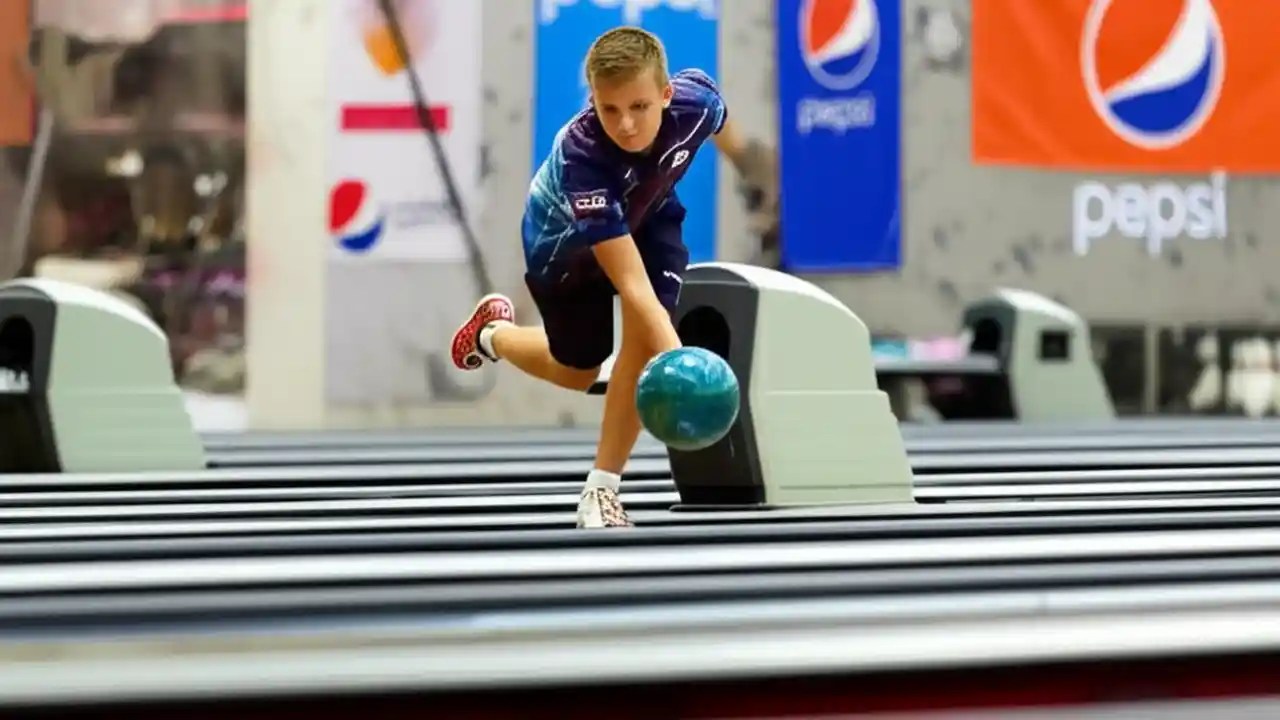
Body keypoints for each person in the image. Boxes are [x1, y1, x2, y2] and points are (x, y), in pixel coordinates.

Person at [450, 26, 760, 528]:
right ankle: (493, 335)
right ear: (592, 100)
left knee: (642, 337)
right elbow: (631, 284)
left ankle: (600, 492)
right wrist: (685, 371)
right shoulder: (583, 153)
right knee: (581, 370)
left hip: (651, 215)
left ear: (665, 94)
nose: (626, 124)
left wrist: (753, 168)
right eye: (609, 109)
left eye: (639, 107)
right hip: (566, 250)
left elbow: (723, 125)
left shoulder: (696, 104)